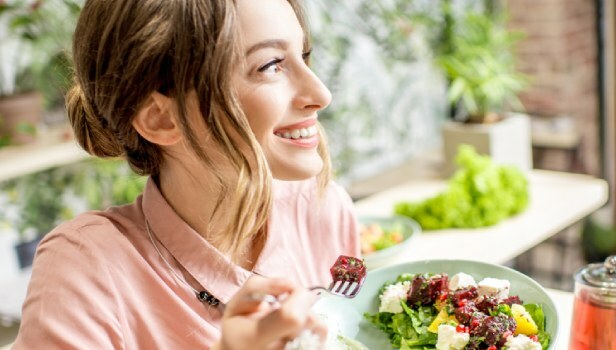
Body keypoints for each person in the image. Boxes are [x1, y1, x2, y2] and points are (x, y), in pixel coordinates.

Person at [13, 0, 360, 349]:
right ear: (160, 119)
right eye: (270, 65)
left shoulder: (322, 210)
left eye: (305, 54)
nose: (321, 94)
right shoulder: (85, 271)